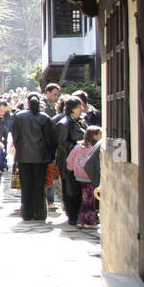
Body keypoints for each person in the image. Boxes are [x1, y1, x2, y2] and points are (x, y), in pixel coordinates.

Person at [12, 94, 57, 221]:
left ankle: (27, 213)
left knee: (26, 186)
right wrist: (51, 155)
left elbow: (15, 136)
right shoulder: (44, 118)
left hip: (23, 157)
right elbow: (50, 139)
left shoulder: (19, 117)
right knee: (39, 186)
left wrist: (19, 149)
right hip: (41, 157)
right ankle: (40, 213)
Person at [53, 96, 87, 225]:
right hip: (68, 161)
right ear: (73, 109)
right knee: (70, 188)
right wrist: (80, 146)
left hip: (78, 161)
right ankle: (72, 215)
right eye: (79, 107)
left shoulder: (78, 121)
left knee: (76, 188)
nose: (81, 109)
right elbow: (62, 143)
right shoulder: (64, 123)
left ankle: (77, 213)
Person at [67, 126, 102, 229]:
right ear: (95, 136)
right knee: (90, 200)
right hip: (90, 176)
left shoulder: (77, 147)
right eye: (99, 135)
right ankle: (89, 221)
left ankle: (81, 220)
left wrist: (73, 170)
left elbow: (69, 160)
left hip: (79, 176)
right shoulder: (94, 149)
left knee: (86, 198)